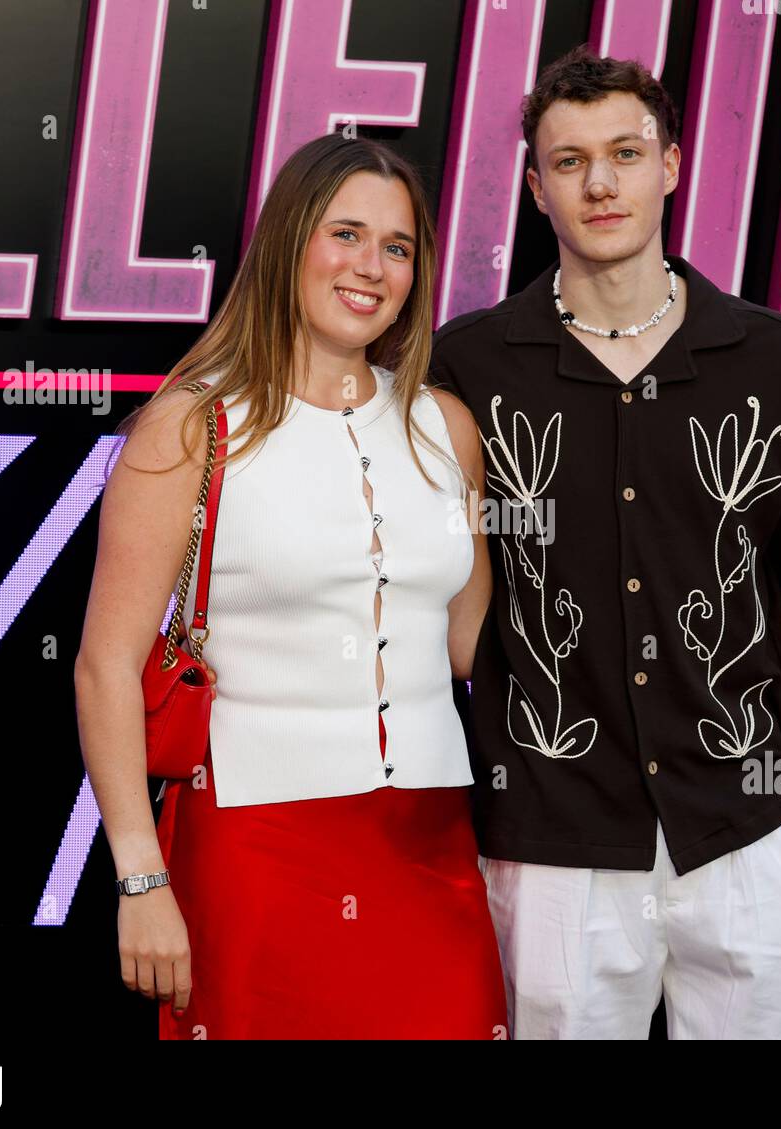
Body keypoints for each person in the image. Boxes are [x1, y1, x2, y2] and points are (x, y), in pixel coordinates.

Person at [429, 45, 781, 1039]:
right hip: (554, 838)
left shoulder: (780, 359)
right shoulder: (467, 364)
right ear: (536, 186)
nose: (601, 183)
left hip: (755, 830)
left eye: (626, 153)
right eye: (570, 161)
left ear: (670, 165)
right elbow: (447, 601)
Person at [74, 133, 506, 1039]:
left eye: (397, 246)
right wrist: (141, 879)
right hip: (256, 850)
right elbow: (104, 667)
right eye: (345, 234)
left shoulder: (448, 427)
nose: (371, 266)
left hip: (432, 847)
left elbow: (471, 646)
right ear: (287, 242)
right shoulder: (191, 426)